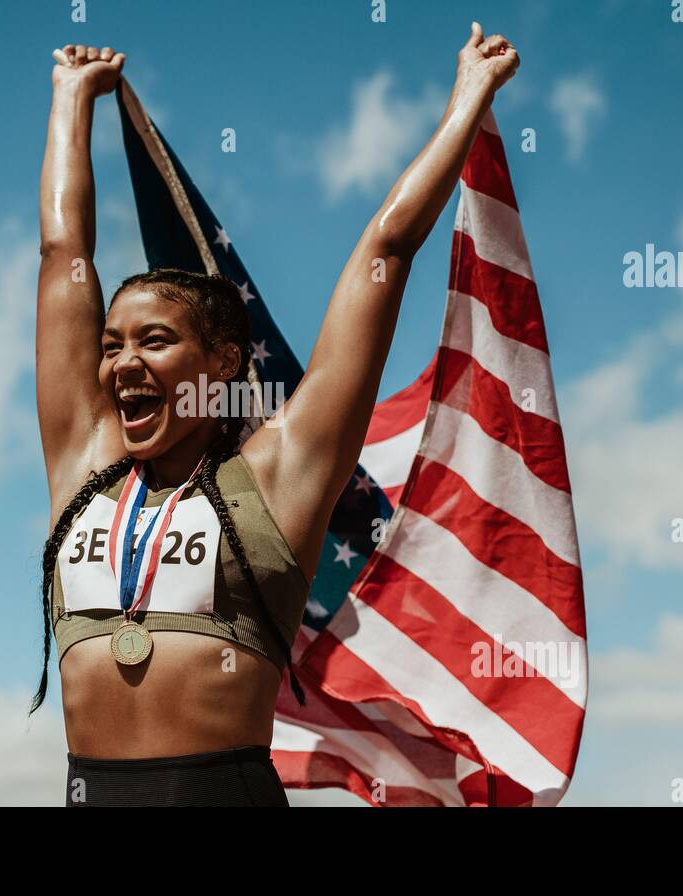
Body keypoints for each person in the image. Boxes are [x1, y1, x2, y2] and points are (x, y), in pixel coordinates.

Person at [33, 25, 519, 807]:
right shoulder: (85, 462)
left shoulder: (279, 471)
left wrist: (469, 93)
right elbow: (64, 255)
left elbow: (386, 251)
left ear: (224, 362)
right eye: (112, 344)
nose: (124, 363)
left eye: (154, 341)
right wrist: (70, 98)